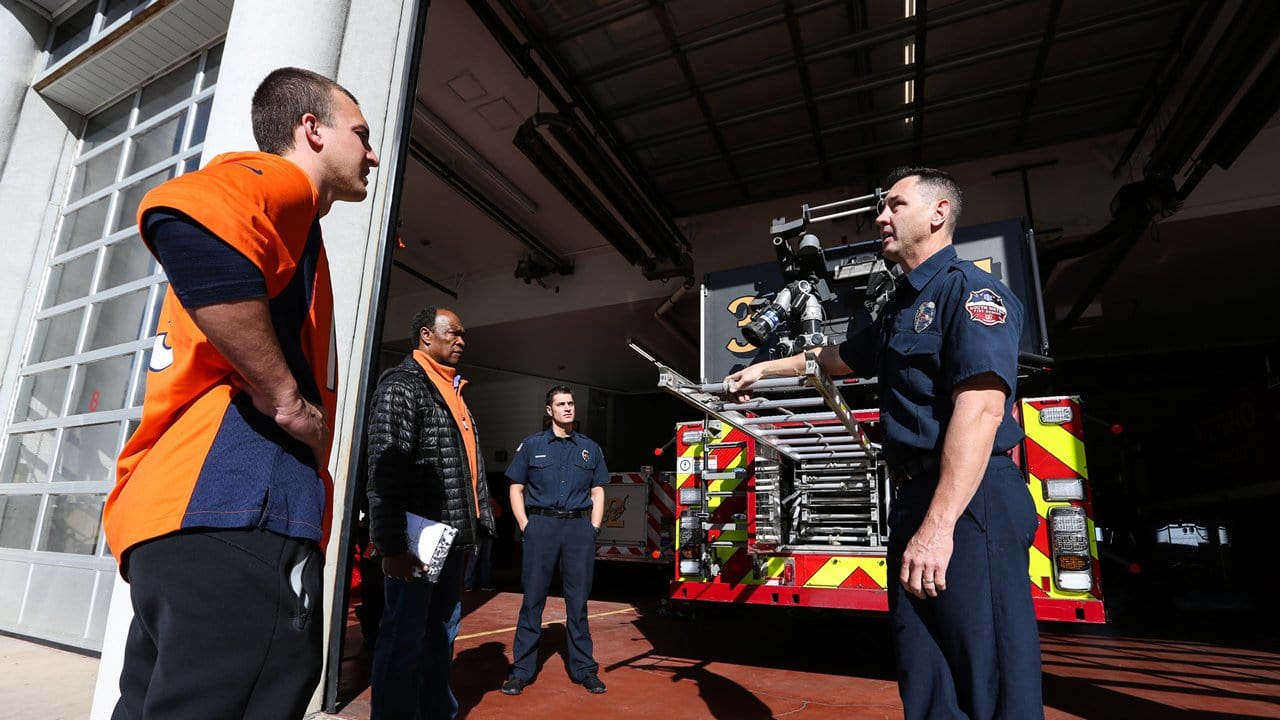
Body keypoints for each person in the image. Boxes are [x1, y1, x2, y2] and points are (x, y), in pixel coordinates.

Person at [103, 67, 378, 719]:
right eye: (361, 134)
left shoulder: (287, 229)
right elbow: (185, 217)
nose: (372, 153)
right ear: (309, 130)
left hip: (174, 519)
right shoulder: (279, 182)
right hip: (238, 504)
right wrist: (285, 397)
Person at [726, 167, 1042, 719]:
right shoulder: (900, 307)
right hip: (919, 497)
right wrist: (763, 370)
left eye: (895, 205)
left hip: (969, 500)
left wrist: (938, 527)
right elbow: (836, 357)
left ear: (938, 212)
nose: (881, 217)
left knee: (986, 675)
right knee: (925, 671)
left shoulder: (972, 292)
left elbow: (983, 410)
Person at [365, 307, 496, 720]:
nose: (461, 340)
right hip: (417, 540)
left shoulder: (452, 391)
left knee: (441, 634)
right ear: (426, 335)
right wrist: (390, 546)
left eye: (463, 334)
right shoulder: (404, 387)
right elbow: (384, 470)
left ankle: (436, 712)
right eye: (453, 333)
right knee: (403, 638)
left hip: (451, 539)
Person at [501, 387, 608, 696]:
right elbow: (515, 488)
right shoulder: (532, 446)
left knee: (578, 603)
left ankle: (585, 670)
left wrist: (593, 528)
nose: (567, 408)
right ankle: (521, 672)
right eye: (561, 404)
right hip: (541, 527)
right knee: (532, 600)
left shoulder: (590, 448)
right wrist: (526, 526)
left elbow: (598, 490)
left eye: (571, 403)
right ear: (549, 410)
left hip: (578, 530)